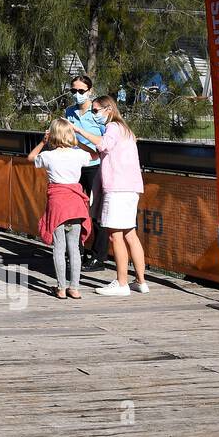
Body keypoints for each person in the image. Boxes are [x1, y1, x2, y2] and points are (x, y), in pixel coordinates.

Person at [73, 97, 149, 296]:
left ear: (108, 109)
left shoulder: (113, 128)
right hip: (129, 188)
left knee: (116, 236)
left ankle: (122, 283)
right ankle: (140, 281)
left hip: (118, 188)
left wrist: (80, 131)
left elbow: (103, 145)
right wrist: (79, 144)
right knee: (130, 234)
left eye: (96, 111)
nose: (94, 115)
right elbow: (100, 153)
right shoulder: (125, 129)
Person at [28, 118, 93, 299]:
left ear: (52, 135)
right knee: (74, 247)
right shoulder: (78, 154)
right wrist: (79, 141)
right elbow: (95, 155)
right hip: (75, 205)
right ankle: (75, 287)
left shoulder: (49, 156)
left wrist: (42, 142)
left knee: (59, 247)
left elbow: (31, 158)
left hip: (58, 204)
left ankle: (61, 287)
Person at [64, 74, 107, 271]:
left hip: (94, 165)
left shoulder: (97, 111)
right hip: (74, 166)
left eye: (81, 91)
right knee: (74, 210)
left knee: (96, 210)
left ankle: (99, 256)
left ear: (89, 91)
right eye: (74, 91)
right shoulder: (69, 111)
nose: (77, 94)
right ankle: (76, 251)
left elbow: (107, 140)